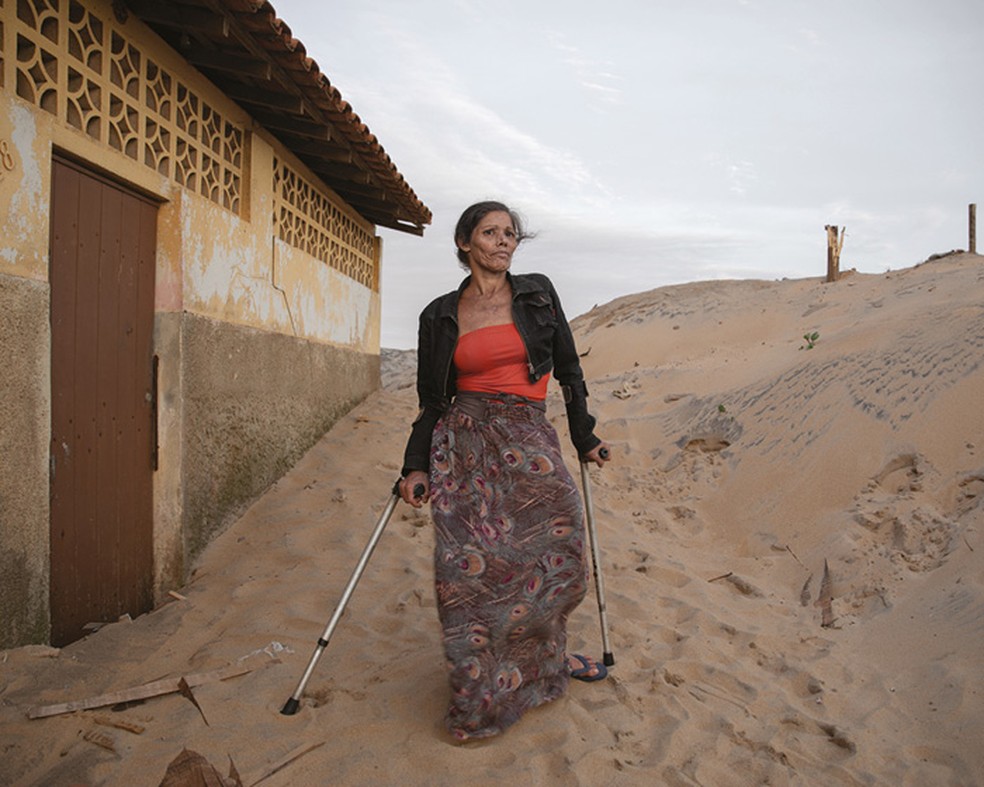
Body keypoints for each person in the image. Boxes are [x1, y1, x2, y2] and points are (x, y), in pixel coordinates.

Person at [398, 200, 612, 741]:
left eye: (510, 234)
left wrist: (584, 436)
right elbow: (431, 400)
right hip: (462, 445)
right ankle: (480, 690)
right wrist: (415, 465)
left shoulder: (537, 292)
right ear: (466, 242)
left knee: (555, 555)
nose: (503, 241)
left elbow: (569, 370)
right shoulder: (439, 313)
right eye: (490, 232)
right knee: (470, 573)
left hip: (527, 434)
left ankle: (542, 665)